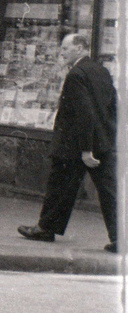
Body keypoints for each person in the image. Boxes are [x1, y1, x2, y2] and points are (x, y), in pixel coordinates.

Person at [18, 32, 118, 251]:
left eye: (65, 48)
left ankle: (46, 228)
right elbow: (112, 108)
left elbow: (84, 113)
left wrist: (85, 149)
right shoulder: (101, 71)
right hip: (102, 142)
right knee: (109, 190)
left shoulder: (76, 74)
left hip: (76, 145)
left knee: (60, 186)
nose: (61, 53)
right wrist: (108, 139)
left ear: (80, 48)